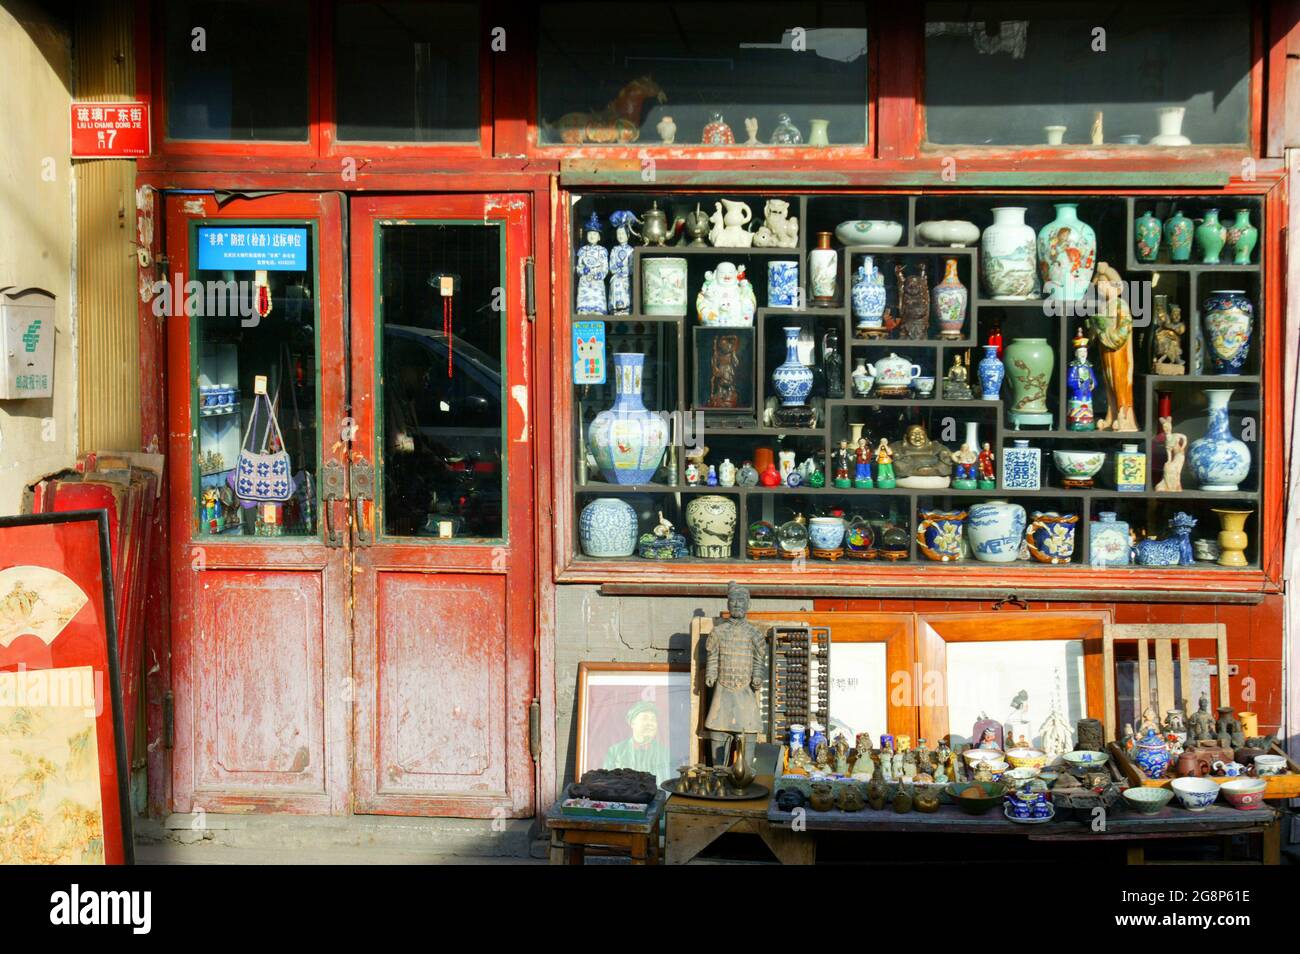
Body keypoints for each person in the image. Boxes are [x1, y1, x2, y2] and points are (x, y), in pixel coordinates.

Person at [602, 699, 674, 783]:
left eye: (653, 719)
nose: (650, 723)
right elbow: (606, 784)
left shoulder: (665, 753)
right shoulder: (615, 752)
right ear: (632, 723)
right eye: (645, 718)